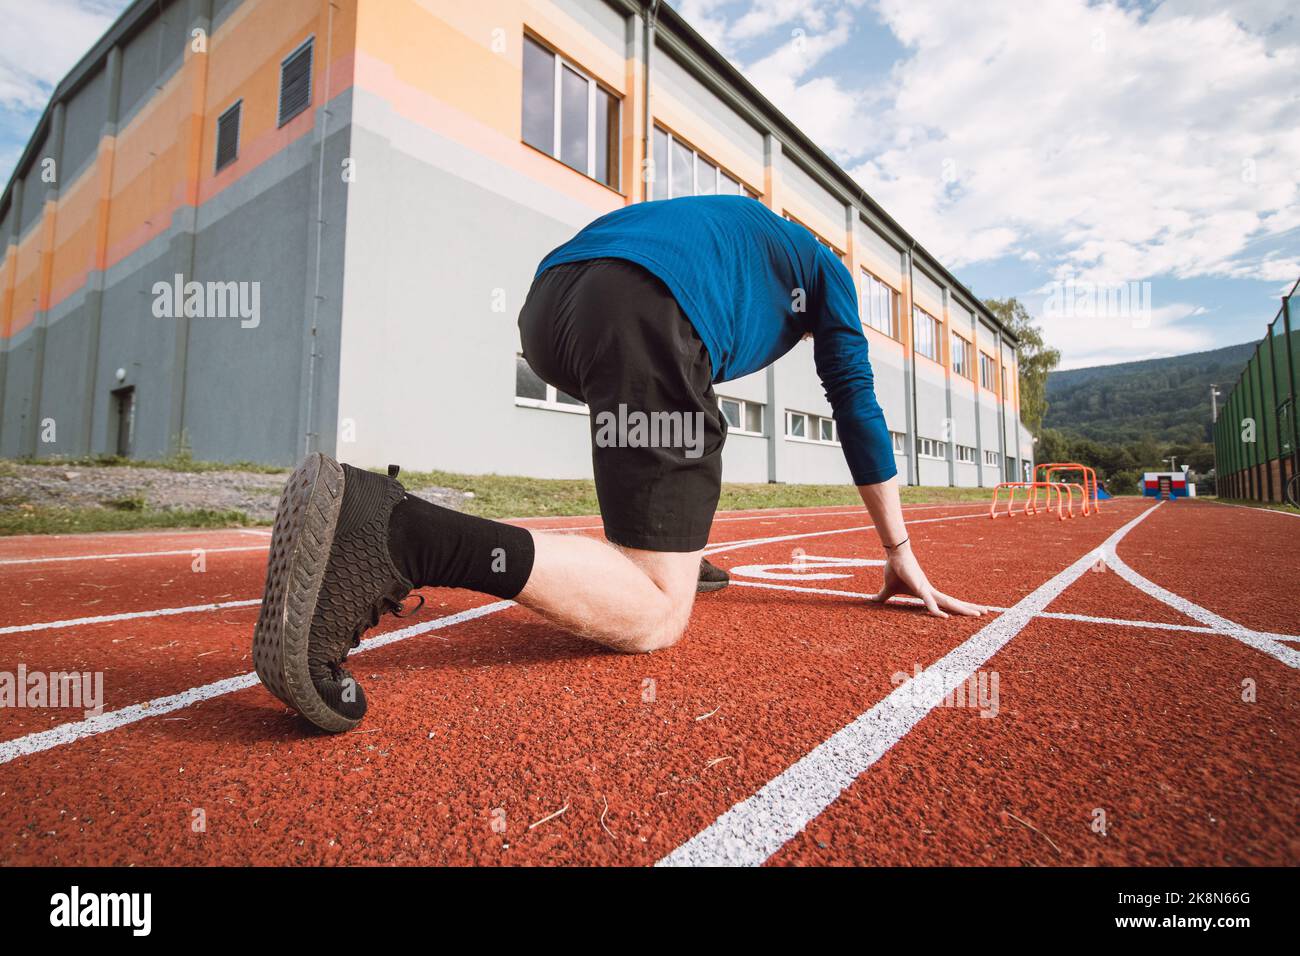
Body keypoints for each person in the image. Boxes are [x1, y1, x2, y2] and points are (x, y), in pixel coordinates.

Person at [252, 195, 984, 733]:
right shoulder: (825, 270)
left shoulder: (737, 224)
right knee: (656, 616)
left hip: (552, 310)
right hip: (645, 304)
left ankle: (669, 548)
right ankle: (397, 532)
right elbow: (856, 401)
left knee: (678, 414)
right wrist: (898, 549)